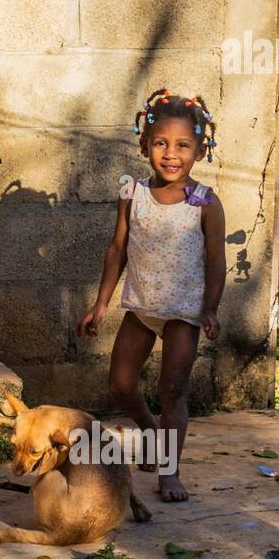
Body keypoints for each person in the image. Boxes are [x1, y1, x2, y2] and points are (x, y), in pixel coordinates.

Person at [76, 89, 226, 502]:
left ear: (200, 148)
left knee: (172, 389)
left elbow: (216, 262)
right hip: (141, 307)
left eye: (183, 145)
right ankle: (151, 430)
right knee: (121, 383)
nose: (171, 154)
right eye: (160, 143)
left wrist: (210, 308)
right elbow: (116, 251)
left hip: (184, 312)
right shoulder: (132, 195)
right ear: (144, 145)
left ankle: (168, 471)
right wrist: (101, 304)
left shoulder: (205, 202)